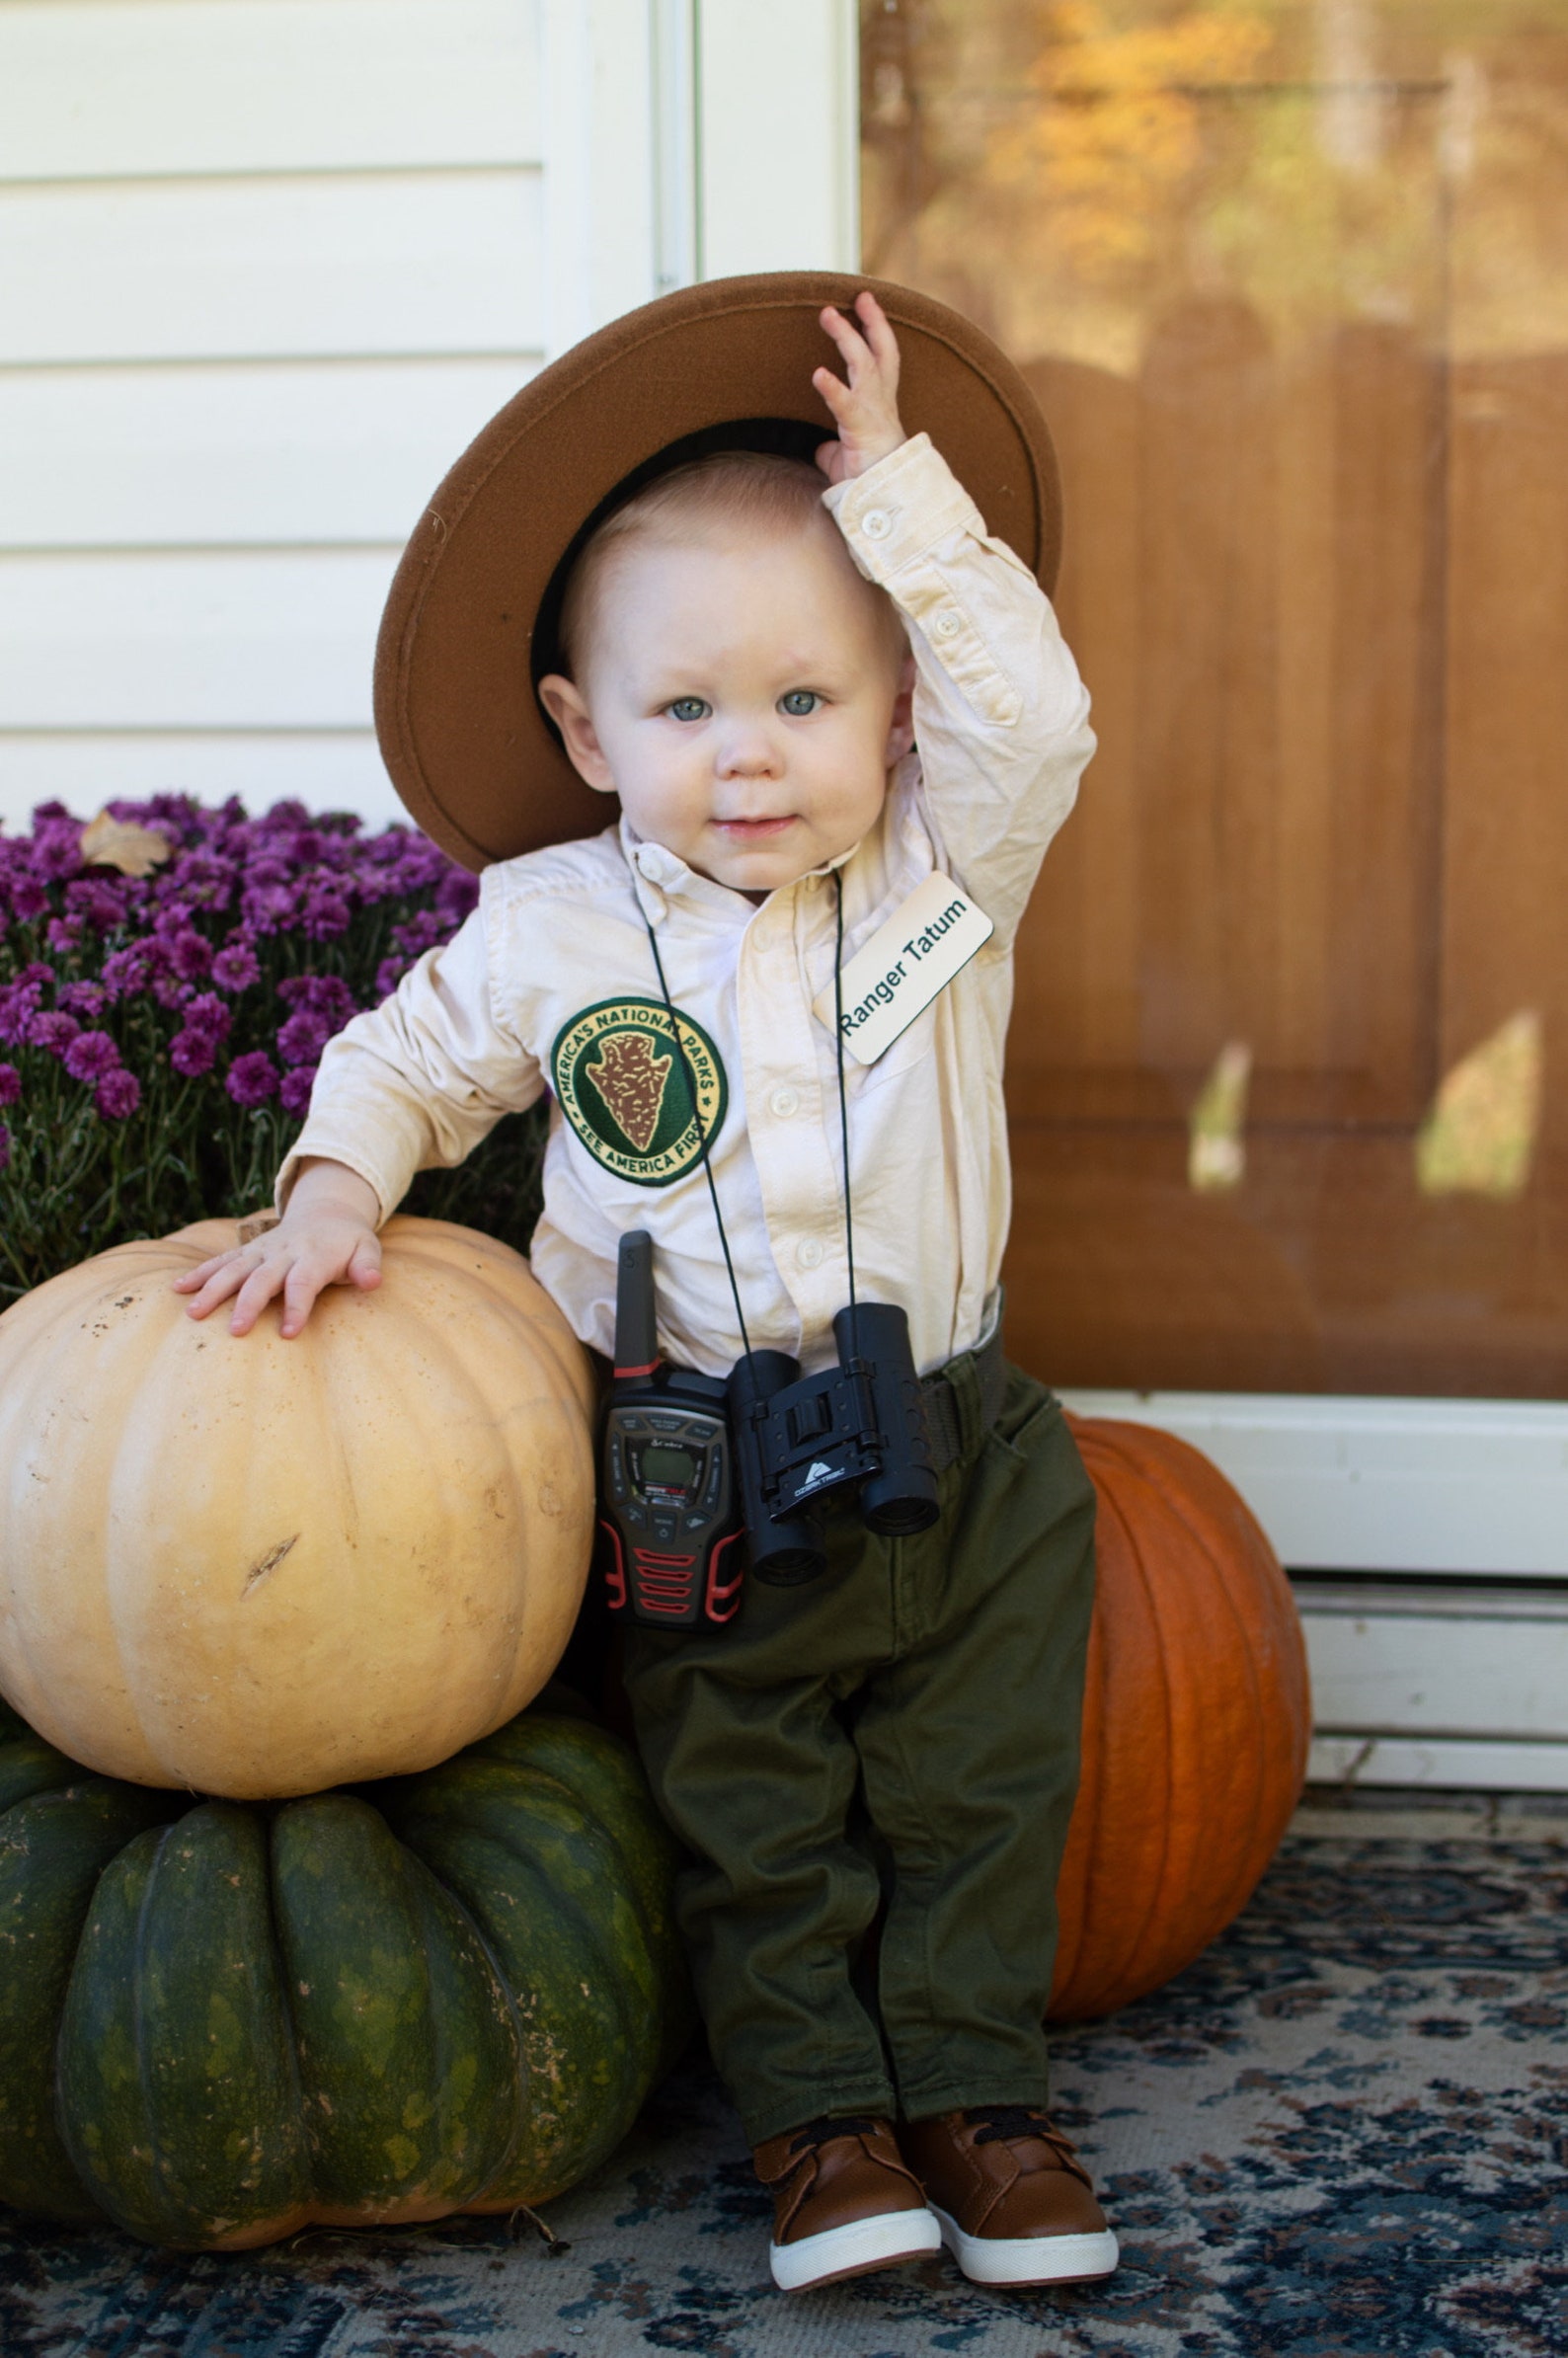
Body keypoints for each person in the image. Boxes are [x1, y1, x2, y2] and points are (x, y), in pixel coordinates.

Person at [177, 280, 1117, 2299]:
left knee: (976, 1792)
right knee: (748, 1808)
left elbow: (1034, 713)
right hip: (700, 1469)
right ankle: (819, 2130)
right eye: (684, 712)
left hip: (956, 1444)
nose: (749, 758)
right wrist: (338, 1185)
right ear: (583, 733)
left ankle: (978, 2098)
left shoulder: (940, 880)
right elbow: (409, 1057)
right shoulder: (551, 928)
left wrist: (898, 509)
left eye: (803, 701)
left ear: (891, 720)